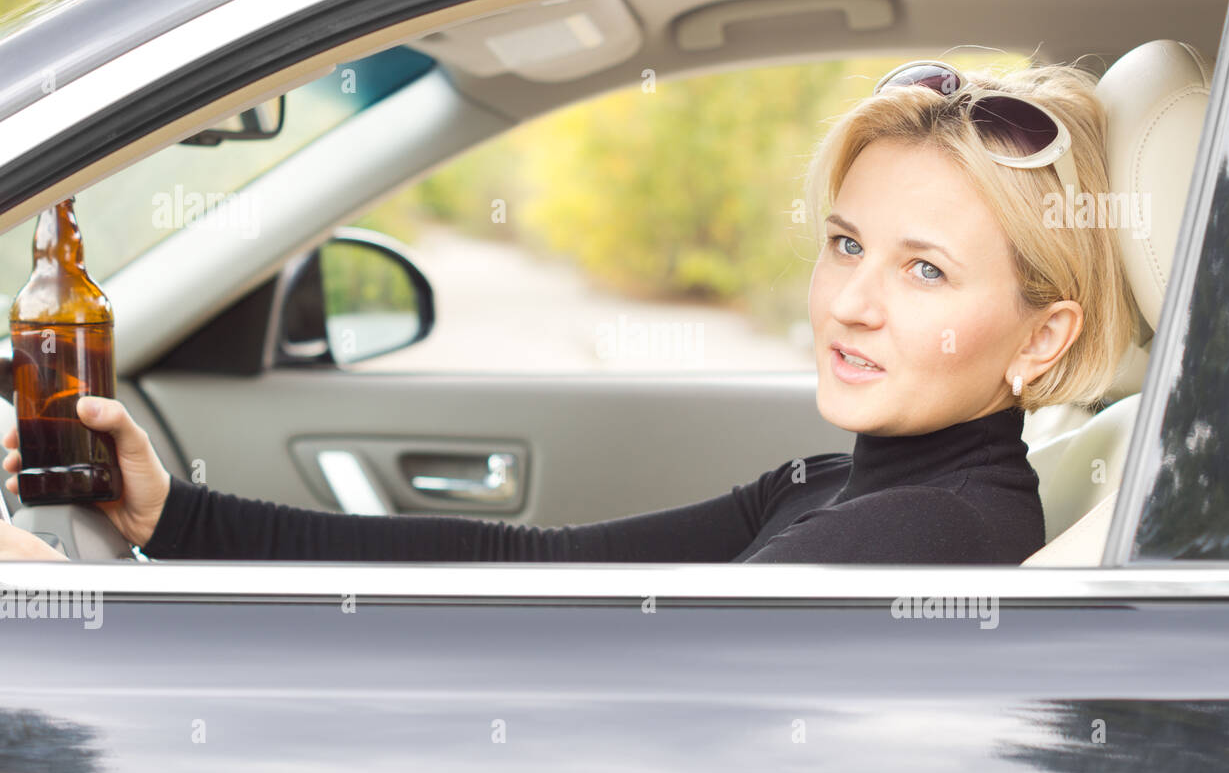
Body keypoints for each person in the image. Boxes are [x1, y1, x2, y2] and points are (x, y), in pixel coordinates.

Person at [0, 57, 1139, 564]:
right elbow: (538, 566)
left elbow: (578, 701)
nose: (848, 300)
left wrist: (75, 603)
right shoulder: (842, 484)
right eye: (844, 244)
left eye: (923, 269)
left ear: (1042, 336)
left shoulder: (922, 531)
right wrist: (175, 521)